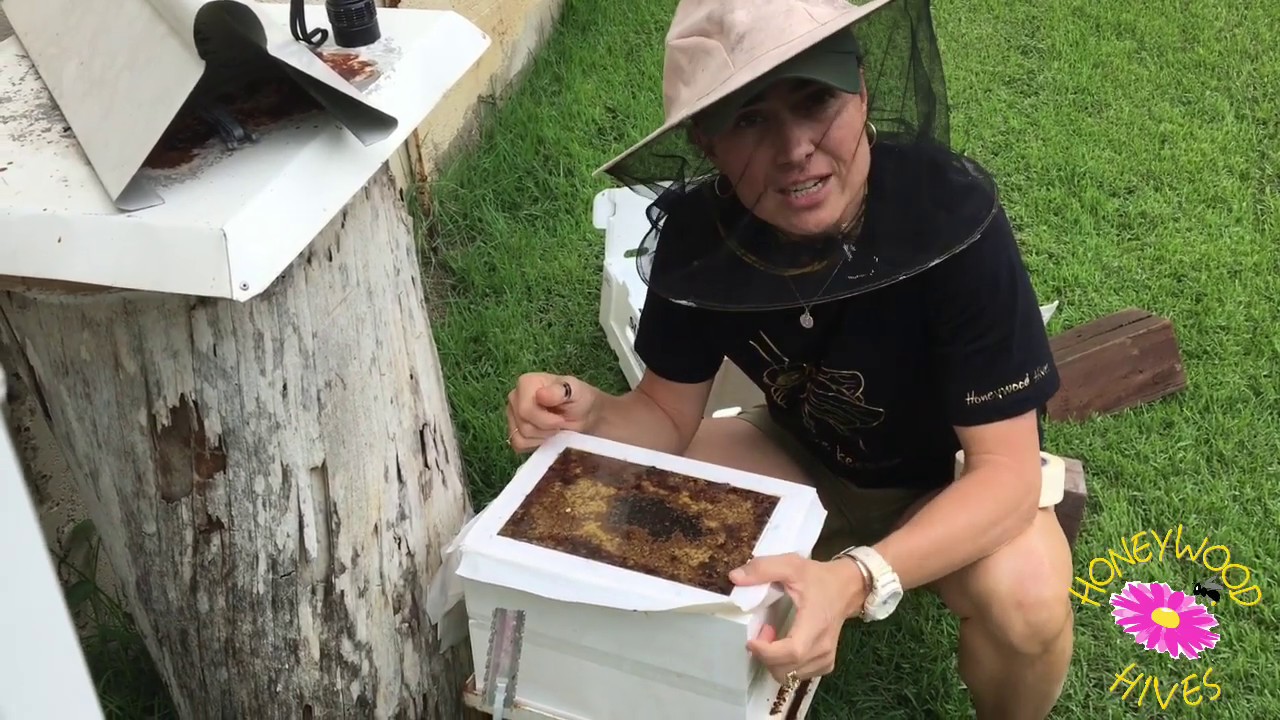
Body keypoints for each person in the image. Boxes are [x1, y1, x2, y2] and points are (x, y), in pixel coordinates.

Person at [505, 0, 1074, 717]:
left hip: (948, 476)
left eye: (817, 101)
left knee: (1025, 603)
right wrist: (584, 411)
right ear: (707, 143)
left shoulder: (951, 217)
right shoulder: (700, 235)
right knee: (624, 499)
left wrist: (858, 577)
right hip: (800, 451)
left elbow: (1008, 474)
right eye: (749, 118)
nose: (795, 146)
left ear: (863, 90)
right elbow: (662, 413)